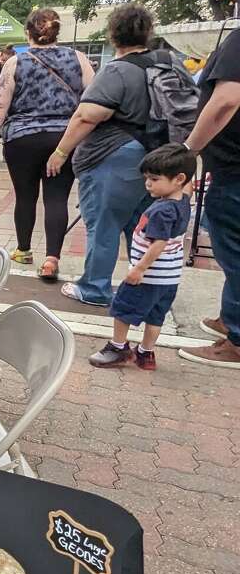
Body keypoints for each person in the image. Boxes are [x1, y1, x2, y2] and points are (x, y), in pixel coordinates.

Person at [46, 4, 163, 306]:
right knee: (143, 227)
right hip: (157, 155)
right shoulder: (166, 65)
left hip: (114, 156)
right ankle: (144, 286)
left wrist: (61, 151)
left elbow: (87, 115)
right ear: (147, 33)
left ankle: (95, 287)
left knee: (104, 224)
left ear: (113, 35)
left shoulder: (117, 70)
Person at [0, 9, 96, 280]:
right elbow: (93, 101)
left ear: (27, 33)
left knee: (25, 196)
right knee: (57, 197)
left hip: (22, 138)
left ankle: (23, 249)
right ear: (57, 32)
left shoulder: (14, 63)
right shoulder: (79, 59)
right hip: (64, 138)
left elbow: (0, 105)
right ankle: (51, 259)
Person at [89, 144, 195, 370]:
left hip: (148, 277)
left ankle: (118, 348)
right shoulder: (183, 202)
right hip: (169, 279)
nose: (148, 183)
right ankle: (146, 354)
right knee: (156, 317)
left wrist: (139, 269)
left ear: (178, 179)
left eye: (155, 179)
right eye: (147, 178)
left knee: (123, 309)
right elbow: (188, 187)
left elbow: (158, 244)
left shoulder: (161, 211)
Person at [180, 27, 240, 368]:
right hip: (231, 170)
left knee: (234, 251)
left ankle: (236, 338)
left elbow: (226, 100)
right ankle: (231, 317)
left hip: (235, 173)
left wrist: (190, 148)